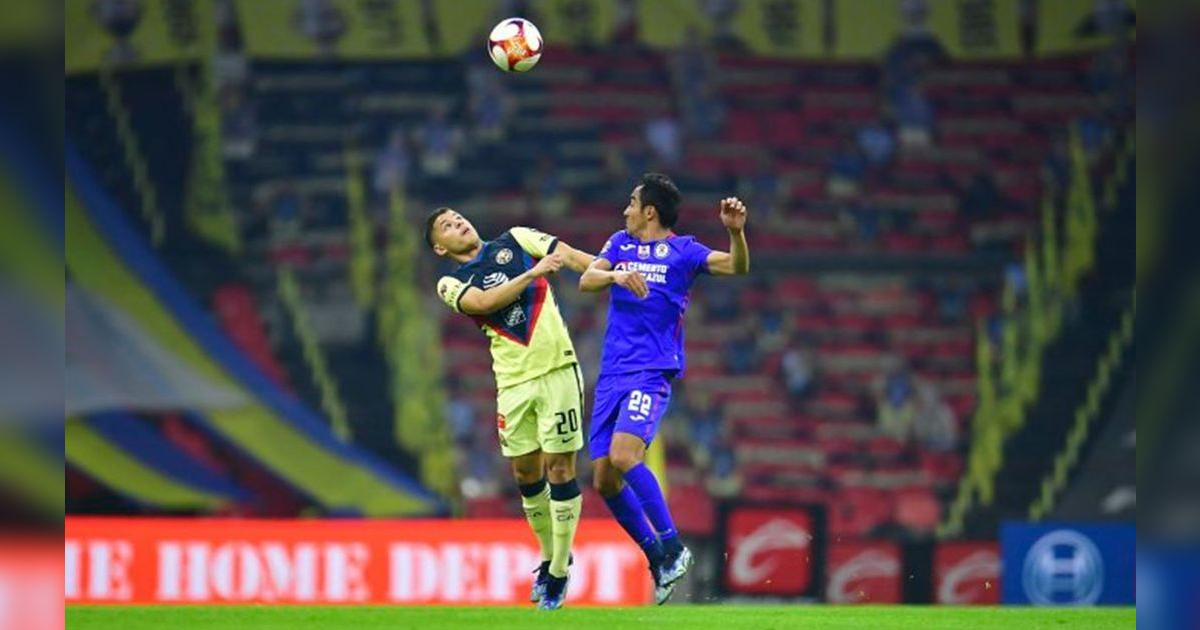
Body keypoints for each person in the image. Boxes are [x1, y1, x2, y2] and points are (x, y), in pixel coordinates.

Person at [579, 173, 750, 604]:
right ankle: (658, 558)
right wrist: (616, 276)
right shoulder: (619, 243)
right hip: (612, 374)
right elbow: (587, 280)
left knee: (624, 456)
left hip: (651, 371)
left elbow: (736, 266)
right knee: (603, 479)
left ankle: (673, 546)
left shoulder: (684, 251)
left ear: (649, 212)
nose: (626, 210)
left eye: (632, 203)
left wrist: (736, 234)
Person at [425, 208, 596, 610]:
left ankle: (558, 571)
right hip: (512, 382)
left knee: (560, 468)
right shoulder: (450, 283)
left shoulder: (517, 238)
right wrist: (534, 273)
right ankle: (548, 556)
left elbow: (570, 256)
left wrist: (615, 272)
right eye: (447, 226)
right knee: (525, 473)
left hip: (557, 370)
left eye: (458, 218)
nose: (459, 223)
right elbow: (485, 301)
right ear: (440, 248)